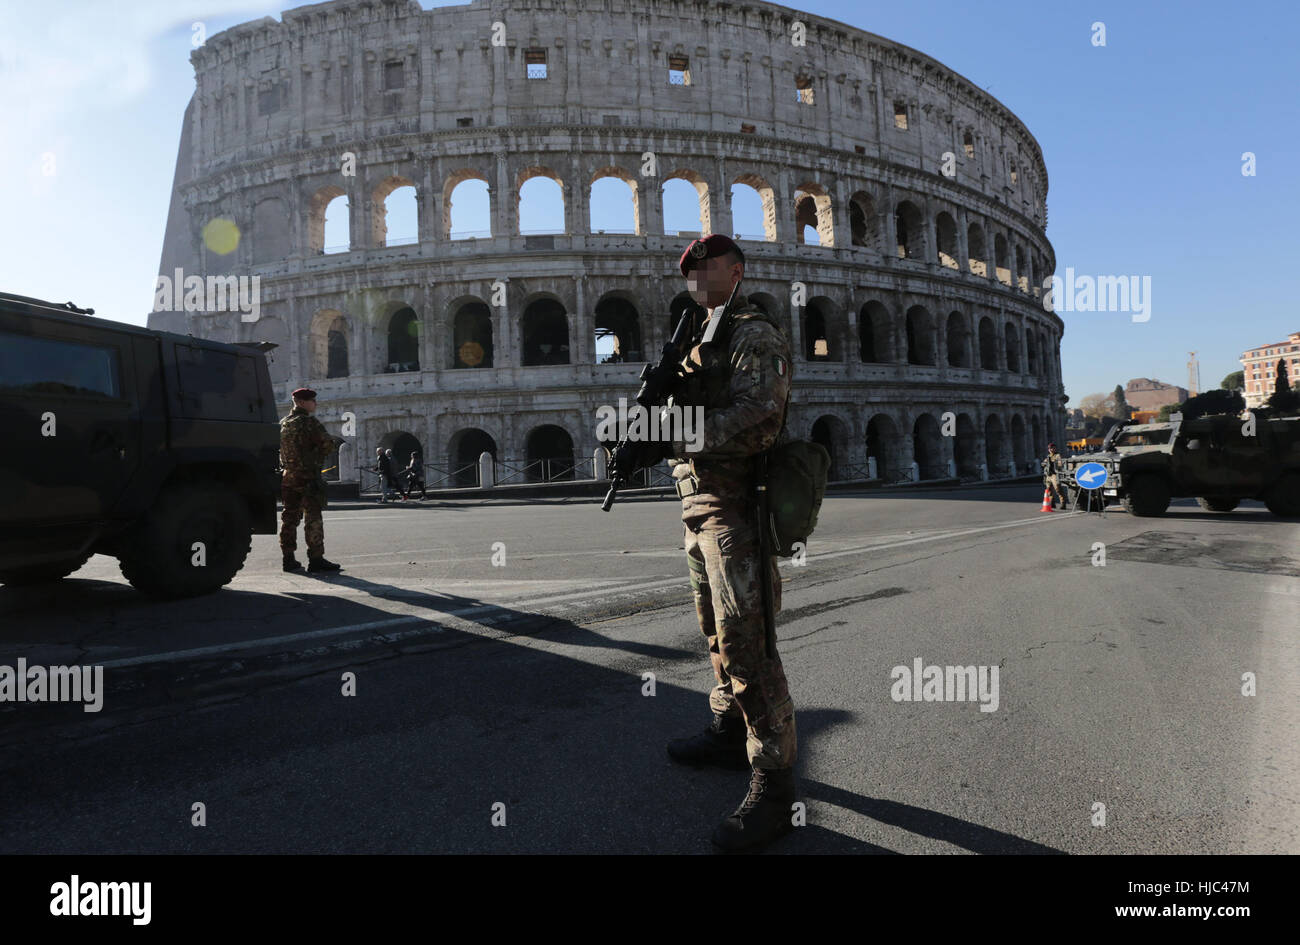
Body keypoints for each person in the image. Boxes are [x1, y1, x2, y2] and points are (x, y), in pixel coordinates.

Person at [625, 234, 798, 852]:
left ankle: (776, 786)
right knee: (714, 632)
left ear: (736, 270)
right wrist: (641, 428)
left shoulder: (753, 333)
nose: (696, 275)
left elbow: (759, 416)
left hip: (735, 506)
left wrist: (670, 438)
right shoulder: (700, 338)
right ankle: (729, 732)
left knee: (748, 642)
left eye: (708, 265)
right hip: (698, 504)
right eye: (689, 269)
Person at [279, 388, 343, 573]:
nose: (315, 403)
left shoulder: (284, 423)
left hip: (288, 476)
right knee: (313, 517)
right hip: (307, 477)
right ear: (300, 402)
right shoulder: (308, 422)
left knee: (289, 518)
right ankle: (316, 559)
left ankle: (288, 559)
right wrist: (316, 455)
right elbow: (328, 444)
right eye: (311, 400)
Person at [1041, 442, 1066, 509]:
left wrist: (1055, 463)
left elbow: (1060, 464)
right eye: (1049, 448)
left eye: (1052, 448)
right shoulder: (1048, 456)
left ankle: (1063, 503)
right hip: (1048, 475)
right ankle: (1052, 503)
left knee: (1058, 489)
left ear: (1055, 448)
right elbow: (1043, 463)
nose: (1050, 449)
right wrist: (1044, 463)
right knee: (1049, 489)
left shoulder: (1057, 455)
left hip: (1054, 474)